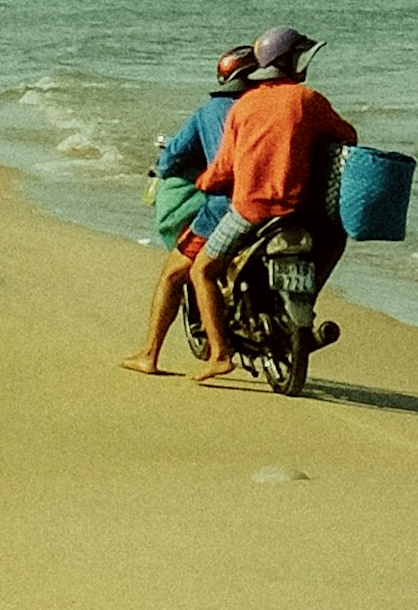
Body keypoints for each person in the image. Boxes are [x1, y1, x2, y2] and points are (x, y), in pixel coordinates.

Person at [184, 24, 357, 396]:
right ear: (291, 62)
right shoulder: (308, 100)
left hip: (251, 212)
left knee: (203, 270)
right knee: (337, 240)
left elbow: (225, 168)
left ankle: (219, 353)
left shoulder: (244, 106)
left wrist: (203, 182)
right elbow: (348, 136)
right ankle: (304, 304)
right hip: (299, 212)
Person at [121, 46, 259, 376]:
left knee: (174, 274)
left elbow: (171, 158)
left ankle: (150, 354)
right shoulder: (267, 107)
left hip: (227, 208)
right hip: (281, 207)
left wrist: (164, 166)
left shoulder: (209, 112)